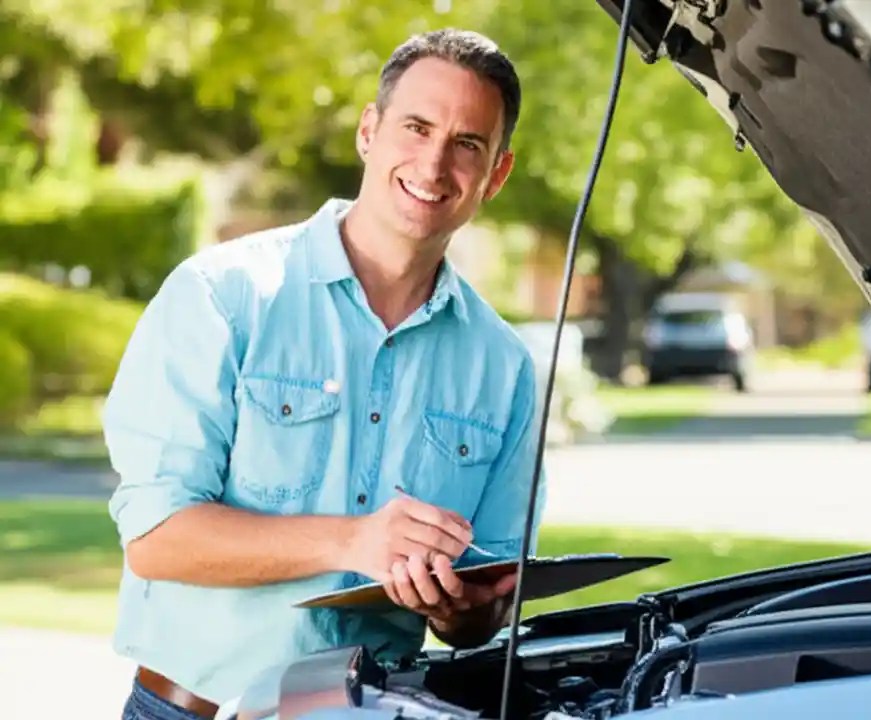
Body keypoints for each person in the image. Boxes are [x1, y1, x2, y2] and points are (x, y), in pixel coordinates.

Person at [105, 29, 545, 720]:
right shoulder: (224, 295)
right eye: (416, 127)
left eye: (467, 144)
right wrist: (355, 540)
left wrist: (463, 608)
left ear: (496, 173)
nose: (434, 163)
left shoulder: (506, 369)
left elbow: (482, 609)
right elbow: (158, 538)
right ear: (369, 132)